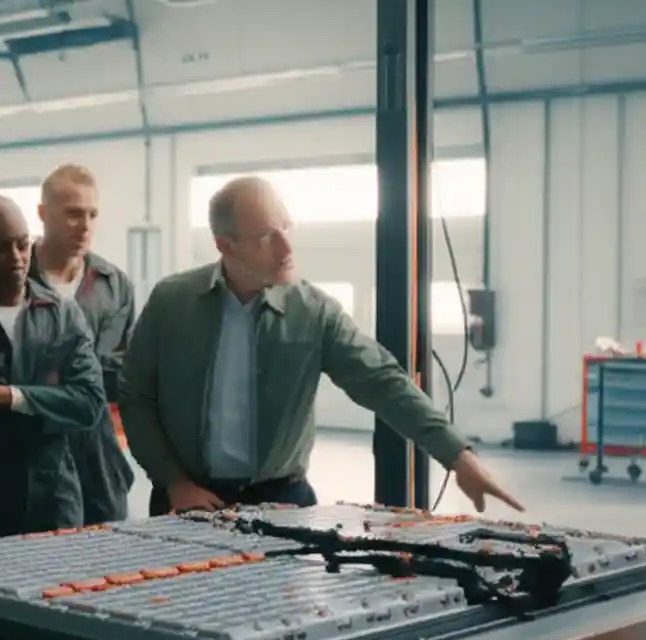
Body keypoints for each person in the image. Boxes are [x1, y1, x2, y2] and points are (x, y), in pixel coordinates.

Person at [119, 176, 525, 516]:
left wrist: (457, 455)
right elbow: (136, 395)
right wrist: (174, 482)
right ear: (225, 245)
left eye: (287, 229)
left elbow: (383, 381)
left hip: (281, 502)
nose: (287, 249)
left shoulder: (314, 312)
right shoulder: (172, 303)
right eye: (265, 237)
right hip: (188, 503)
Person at [0, 195, 105, 537]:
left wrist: (8, 396)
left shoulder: (61, 314)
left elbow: (88, 402)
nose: (16, 258)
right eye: (2, 248)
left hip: (54, 500)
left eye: (22, 245)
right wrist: (49, 397)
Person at [30, 164, 137, 523]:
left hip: (99, 451)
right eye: (74, 214)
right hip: (34, 448)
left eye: (92, 214)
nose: (86, 225)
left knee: (108, 551)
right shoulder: (12, 279)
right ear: (43, 214)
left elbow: (122, 369)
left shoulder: (113, 285)